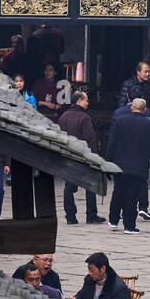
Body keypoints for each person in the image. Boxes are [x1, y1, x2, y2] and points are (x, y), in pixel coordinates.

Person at [106, 98, 150, 234]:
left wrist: (107, 162)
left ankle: (113, 220)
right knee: (132, 195)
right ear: (145, 110)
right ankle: (129, 226)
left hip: (120, 164)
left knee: (118, 192)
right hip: (139, 166)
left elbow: (112, 143)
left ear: (131, 108)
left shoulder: (120, 121)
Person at [57, 91, 104, 224]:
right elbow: (90, 139)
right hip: (83, 157)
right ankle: (91, 215)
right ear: (79, 101)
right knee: (90, 186)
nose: (87, 103)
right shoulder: (84, 118)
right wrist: (94, 157)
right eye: (86, 100)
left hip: (68, 156)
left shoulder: (63, 116)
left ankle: (70, 216)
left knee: (68, 187)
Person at [66, 252, 131, 299]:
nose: (90, 273)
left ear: (103, 269)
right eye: (89, 270)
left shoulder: (118, 287)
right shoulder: (89, 280)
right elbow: (82, 294)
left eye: (92, 270)